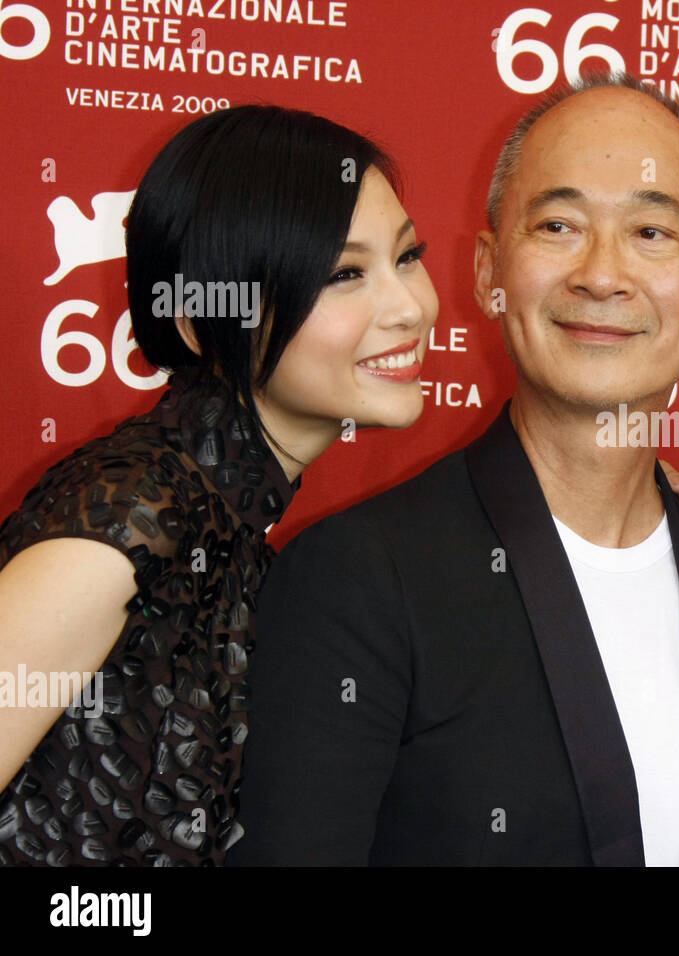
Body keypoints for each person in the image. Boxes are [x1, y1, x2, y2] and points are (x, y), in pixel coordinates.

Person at [230, 72, 679, 866]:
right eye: (558, 226)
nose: (601, 274)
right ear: (488, 273)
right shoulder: (359, 578)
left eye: (651, 232)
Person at [0, 104, 440, 865]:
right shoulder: (130, 519)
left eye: (407, 256)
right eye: (344, 274)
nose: (411, 308)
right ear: (202, 320)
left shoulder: (229, 533)